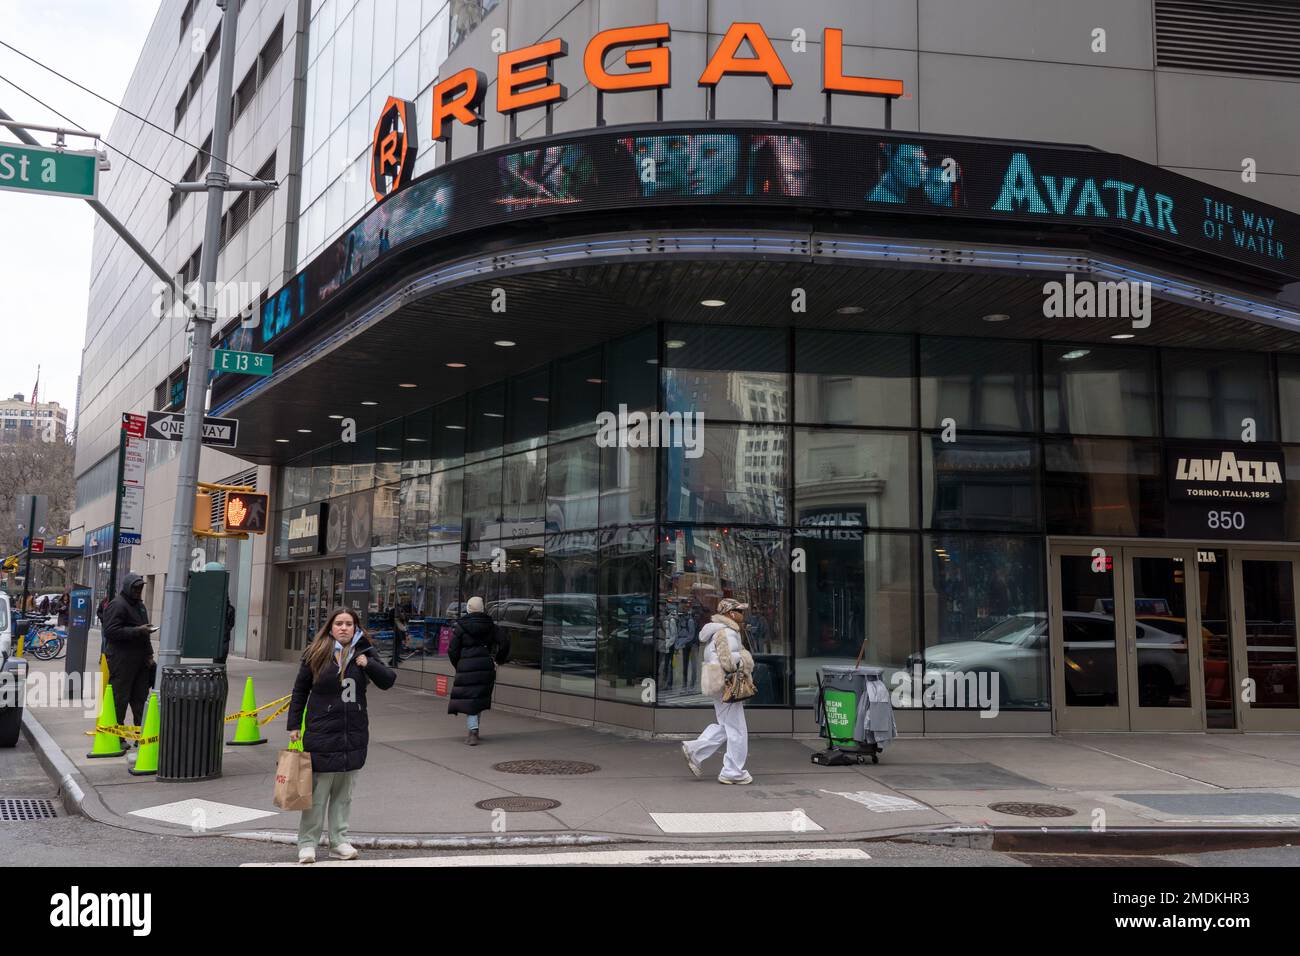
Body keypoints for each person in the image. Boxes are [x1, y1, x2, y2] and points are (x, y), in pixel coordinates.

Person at [286, 607, 396, 864]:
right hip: (322, 733)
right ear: (331, 627)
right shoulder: (316, 653)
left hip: (353, 734)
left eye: (349, 624)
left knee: (344, 795)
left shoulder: (364, 651)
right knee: (317, 794)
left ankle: (339, 841)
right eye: (339, 623)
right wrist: (294, 725)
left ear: (356, 627)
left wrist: (368, 665)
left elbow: (388, 680)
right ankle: (307, 844)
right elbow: (300, 690)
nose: (344, 628)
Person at [681, 598, 756, 785]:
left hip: (718, 684)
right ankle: (732, 772)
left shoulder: (716, 631)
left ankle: (695, 750)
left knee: (726, 726)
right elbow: (729, 662)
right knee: (737, 730)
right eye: (740, 611)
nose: (742, 614)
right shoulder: (728, 632)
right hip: (728, 685)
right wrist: (746, 657)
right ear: (731, 614)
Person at [447, 596, 509, 746]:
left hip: (466, 664)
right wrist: (498, 660)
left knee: (471, 698)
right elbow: (505, 642)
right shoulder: (490, 625)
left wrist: (459, 665)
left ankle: (473, 730)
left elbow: (452, 650)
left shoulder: (461, 626)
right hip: (485, 664)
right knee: (477, 697)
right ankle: (475, 729)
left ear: (468, 608)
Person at [100, 574, 154, 732]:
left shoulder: (140, 606)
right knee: (120, 699)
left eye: (140, 588)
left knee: (140, 699)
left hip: (140, 660)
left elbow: (145, 633)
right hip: (121, 659)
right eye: (135, 588)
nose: (138, 591)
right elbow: (110, 631)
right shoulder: (117, 605)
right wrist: (137, 631)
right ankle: (117, 736)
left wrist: (149, 655)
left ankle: (141, 733)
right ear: (127, 587)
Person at [204, 562, 235, 664]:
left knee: (219, 659)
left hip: (223, 637)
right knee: (219, 659)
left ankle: (218, 672)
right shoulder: (227, 608)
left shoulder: (228, 609)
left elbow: (231, 624)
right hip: (222, 636)